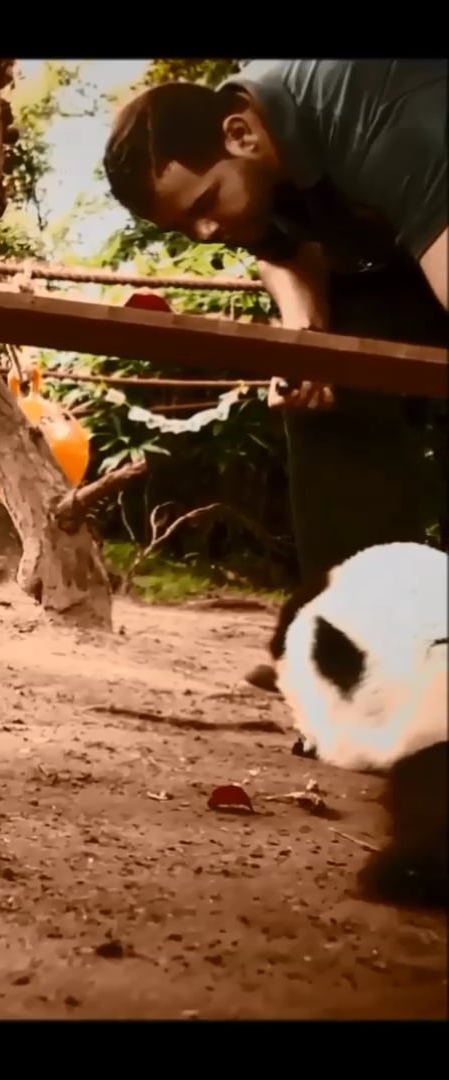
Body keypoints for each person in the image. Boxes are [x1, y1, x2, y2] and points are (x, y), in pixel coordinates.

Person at [101, 59, 448, 692]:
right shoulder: (252, 147)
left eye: (206, 205)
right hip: (394, 254)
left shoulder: (391, 125)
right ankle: (351, 656)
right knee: (324, 395)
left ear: (241, 136)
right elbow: (285, 254)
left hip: (432, 212)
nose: (207, 232)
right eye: (187, 226)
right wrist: (306, 342)